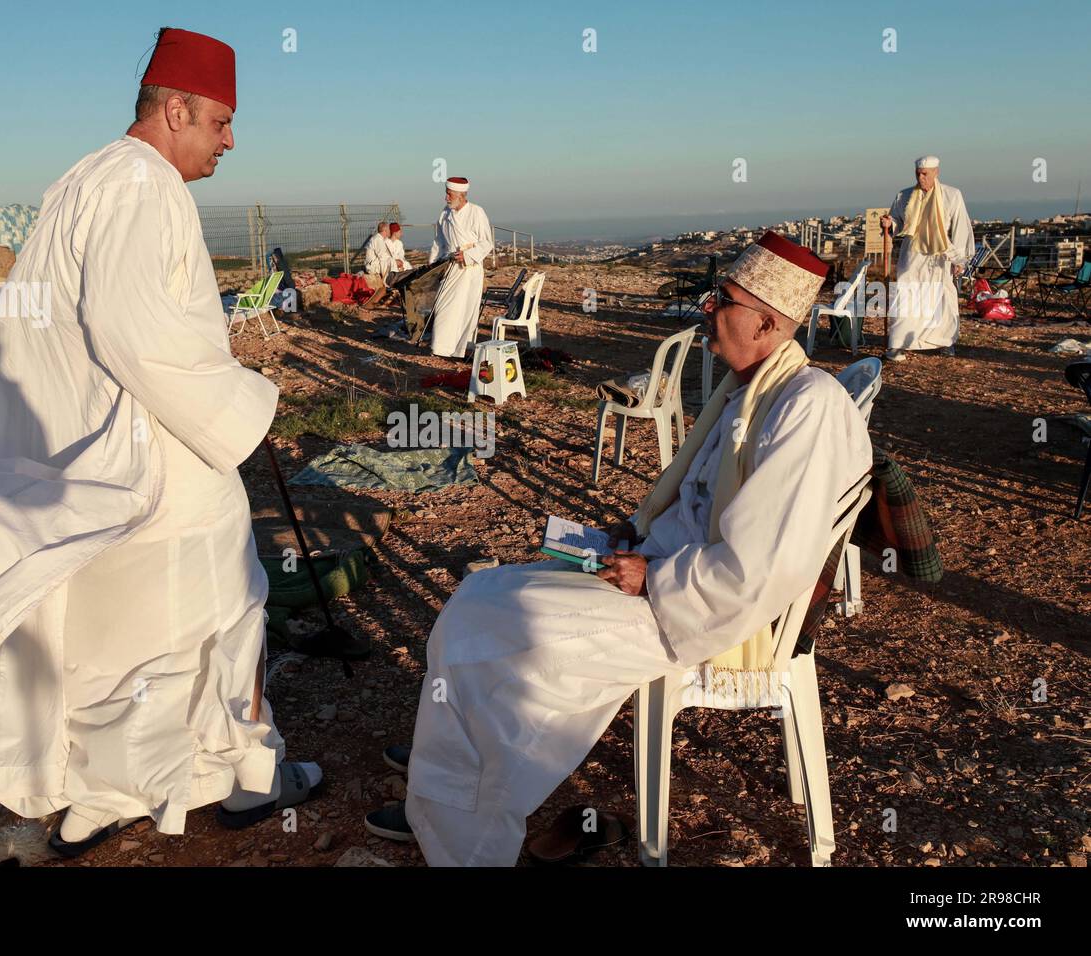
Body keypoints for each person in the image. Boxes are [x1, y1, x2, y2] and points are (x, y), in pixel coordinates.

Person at [0, 26, 319, 858]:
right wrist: (242, 407)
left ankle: (101, 796)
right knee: (227, 610)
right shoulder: (146, 189)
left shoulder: (87, 177)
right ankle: (251, 782)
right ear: (176, 110)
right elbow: (134, 331)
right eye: (219, 121)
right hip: (159, 449)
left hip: (94, 458)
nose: (229, 140)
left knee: (120, 637)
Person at [364, 232, 873, 865]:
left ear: (768, 320)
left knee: (482, 635)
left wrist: (653, 577)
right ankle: (453, 770)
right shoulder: (748, 389)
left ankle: (462, 813)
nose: (708, 310)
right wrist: (633, 538)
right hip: (662, 574)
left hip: (692, 607)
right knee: (483, 595)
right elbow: (697, 503)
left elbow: (760, 566)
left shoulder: (807, 407)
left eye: (724, 301)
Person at [880, 156, 974, 361]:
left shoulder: (952, 195)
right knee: (906, 297)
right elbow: (897, 220)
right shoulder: (903, 195)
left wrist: (959, 260)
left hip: (940, 256)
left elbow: (960, 228)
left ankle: (945, 341)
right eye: (918, 174)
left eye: (925, 174)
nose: (921, 178)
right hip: (912, 255)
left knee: (942, 298)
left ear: (936, 172)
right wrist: (890, 223)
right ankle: (898, 344)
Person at [427, 177, 493, 358]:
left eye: (449, 194)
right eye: (446, 194)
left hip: (469, 269)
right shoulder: (444, 214)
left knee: (465, 308)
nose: (446, 198)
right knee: (444, 306)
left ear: (461, 195)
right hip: (450, 267)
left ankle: (460, 348)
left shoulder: (476, 212)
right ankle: (441, 347)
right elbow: (439, 241)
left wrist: (468, 255)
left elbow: (487, 242)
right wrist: (432, 264)